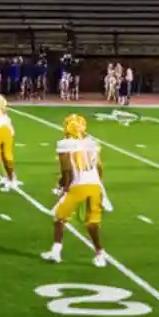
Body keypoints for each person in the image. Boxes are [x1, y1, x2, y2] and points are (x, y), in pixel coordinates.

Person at [42, 114, 111, 267]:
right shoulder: (92, 143)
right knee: (92, 223)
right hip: (94, 185)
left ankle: (56, 251)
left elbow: (67, 170)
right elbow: (99, 168)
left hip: (77, 185)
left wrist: (63, 187)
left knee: (59, 218)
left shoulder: (65, 144)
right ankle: (100, 253)